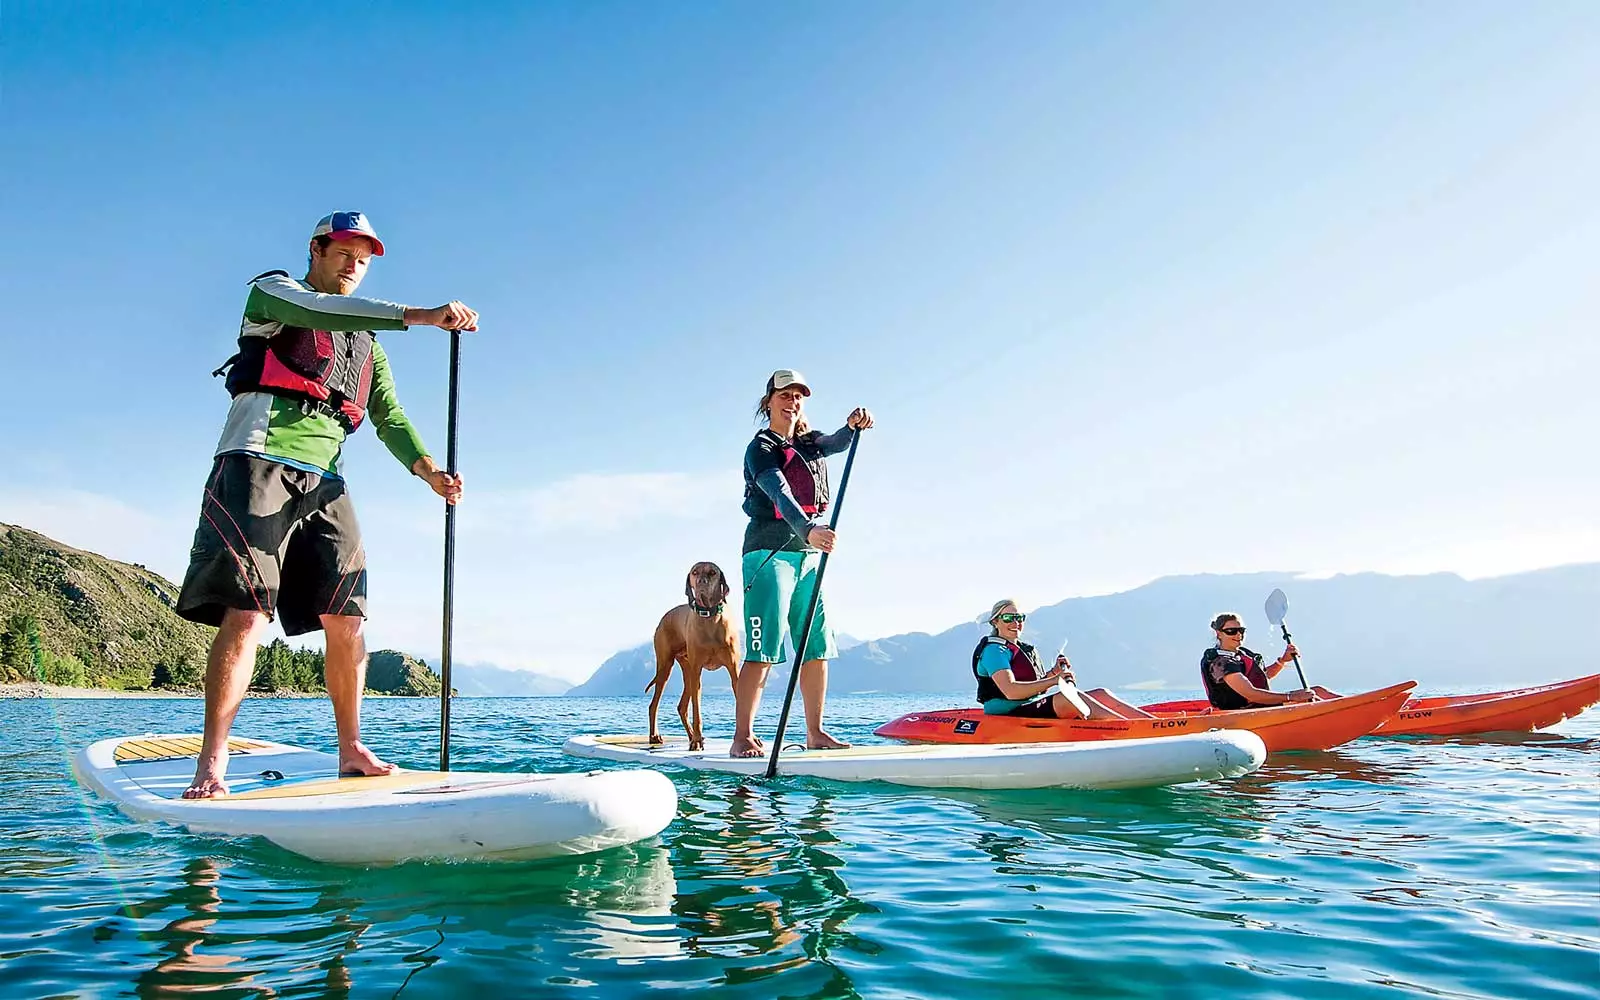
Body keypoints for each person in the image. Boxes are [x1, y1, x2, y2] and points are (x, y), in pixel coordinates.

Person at [174, 211, 479, 798]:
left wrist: (430, 473)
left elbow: (388, 415)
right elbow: (316, 312)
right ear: (316, 249)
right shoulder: (274, 291)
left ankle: (351, 749)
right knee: (247, 614)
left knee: (348, 616)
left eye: (363, 259)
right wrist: (418, 315)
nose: (353, 266)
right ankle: (213, 761)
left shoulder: (367, 345)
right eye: (343, 253)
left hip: (327, 482)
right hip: (255, 460)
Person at [729, 369, 872, 758]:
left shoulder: (809, 443)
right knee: (763, 648)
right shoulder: (759, 448)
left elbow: (837, 442)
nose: (792, 402)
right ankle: (742, 736)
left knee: (815, 647)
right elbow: (778, 492)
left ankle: (815, 732)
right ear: (768, 402)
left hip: (808, 557)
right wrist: (809, 529)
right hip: (768, 554)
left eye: (798, 397)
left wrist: (852, 426)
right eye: (784, 396)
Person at [972, 600, 1126, 719]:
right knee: (1070, 698)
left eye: (1019, 617)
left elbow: (1033, 687)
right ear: (995, 622)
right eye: (1008, 618)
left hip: (1030, 704)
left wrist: (1054, 673)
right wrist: (1055, 681)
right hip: (1008, 712)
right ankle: (1128, 729)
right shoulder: (994, 651)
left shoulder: (1022, 648)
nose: (1015, 622)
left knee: (1101, 693)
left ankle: (1146, 724)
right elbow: (1012, 692)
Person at [1200, 612, 1314, 710]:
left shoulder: (1242, 654)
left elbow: (1263, 676)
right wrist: (1290, 697)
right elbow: (1250, 694)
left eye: (1241, 630)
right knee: (1310, 698)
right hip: (1242, 711)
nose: (1238, 634)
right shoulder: (1220, 662)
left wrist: (1283, 660)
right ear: (1218, 633)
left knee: (1318, 691)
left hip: (1258, 706)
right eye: (1231, 631)